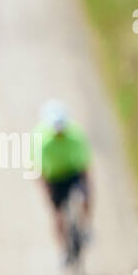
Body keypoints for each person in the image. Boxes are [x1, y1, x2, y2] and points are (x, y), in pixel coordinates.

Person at [32, 100, 93, 265]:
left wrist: (87, 186)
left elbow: (84, 163)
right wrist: (45, 189)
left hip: (73, 172)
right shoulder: (41, 140)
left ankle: (86, 228)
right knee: (57, 215)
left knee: (86, 196)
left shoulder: (75, 134)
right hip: (54, 177)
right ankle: (63, 251)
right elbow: (37, 168)